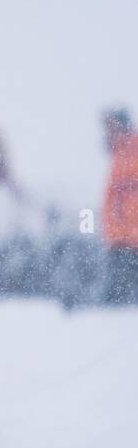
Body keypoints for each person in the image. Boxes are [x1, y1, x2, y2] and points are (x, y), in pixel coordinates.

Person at [100, 106, 138, 304]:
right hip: (120, 240)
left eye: (109, 127)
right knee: (118, 300)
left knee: (119, 301)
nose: (105, 133)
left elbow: (125, 195)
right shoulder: (119, 154)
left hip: (129, 241)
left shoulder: (131, 151)